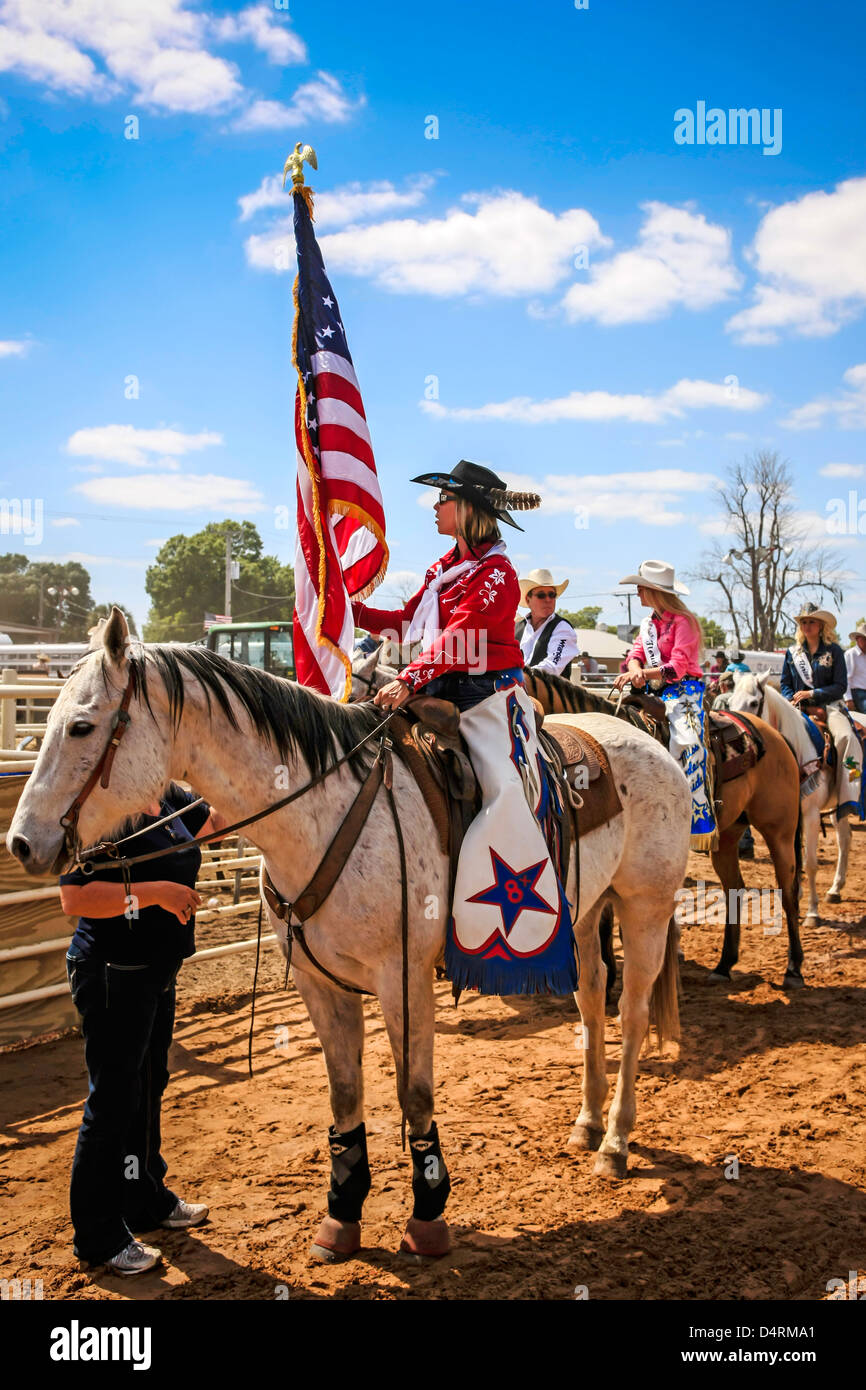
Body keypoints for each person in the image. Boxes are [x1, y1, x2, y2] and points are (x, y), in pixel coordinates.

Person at [351, 459, 577, 997]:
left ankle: (511, 925)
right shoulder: (442, 569)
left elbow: (460, 638)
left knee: (502, 793)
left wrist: (407, 679)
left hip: (486, 699)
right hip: (439, 692)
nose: (434, 507)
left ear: (468, 510)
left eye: (443, 499)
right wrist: (351, 610)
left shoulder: (497, 575)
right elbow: (410, 623)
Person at [60, 784, 227, 1276]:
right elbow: (75, 898)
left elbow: (214, 826)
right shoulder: (101, 809)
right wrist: (155, 894)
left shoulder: (171, 798)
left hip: (156, 969)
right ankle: (97, 1235)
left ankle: (144, 1196)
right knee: (112, 1099)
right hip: (113, 971)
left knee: (149, 1085)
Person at [613, 559, 715, 848]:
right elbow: (634, 652)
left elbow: (679, 667)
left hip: (683, 691)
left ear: (653, 591)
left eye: (641, 588)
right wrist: (634, 668)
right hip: (656, 691)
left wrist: (643, 673)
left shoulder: (684, 623)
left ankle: (696, 816)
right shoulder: (648, 625)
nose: (637, 594)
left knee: (688, 741)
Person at [780, 602, 863, 819]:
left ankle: (847, 795)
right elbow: (785, 683)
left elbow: (840, 686)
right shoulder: (792, 653)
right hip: (797, 707)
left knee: (846, 737)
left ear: (821, 625)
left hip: (830, 706)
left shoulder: (834, 651)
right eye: (804, 622)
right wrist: (791, 699)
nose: (807, 626)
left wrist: (812, 693)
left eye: (811, 622)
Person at [514, 568, 577, 678]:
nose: (548, 599)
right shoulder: (516, 627)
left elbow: (552, 667)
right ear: (528, 600)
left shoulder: (563, 628)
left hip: (547, 694)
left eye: (552, 595)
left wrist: (518, 678)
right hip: (517, 691)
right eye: (541, 595)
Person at [845, 622, 866, 715]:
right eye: (865, 639)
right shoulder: (850, 654)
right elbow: (846, 678)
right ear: (857, 639)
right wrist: (848, 699)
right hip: (857, 693)